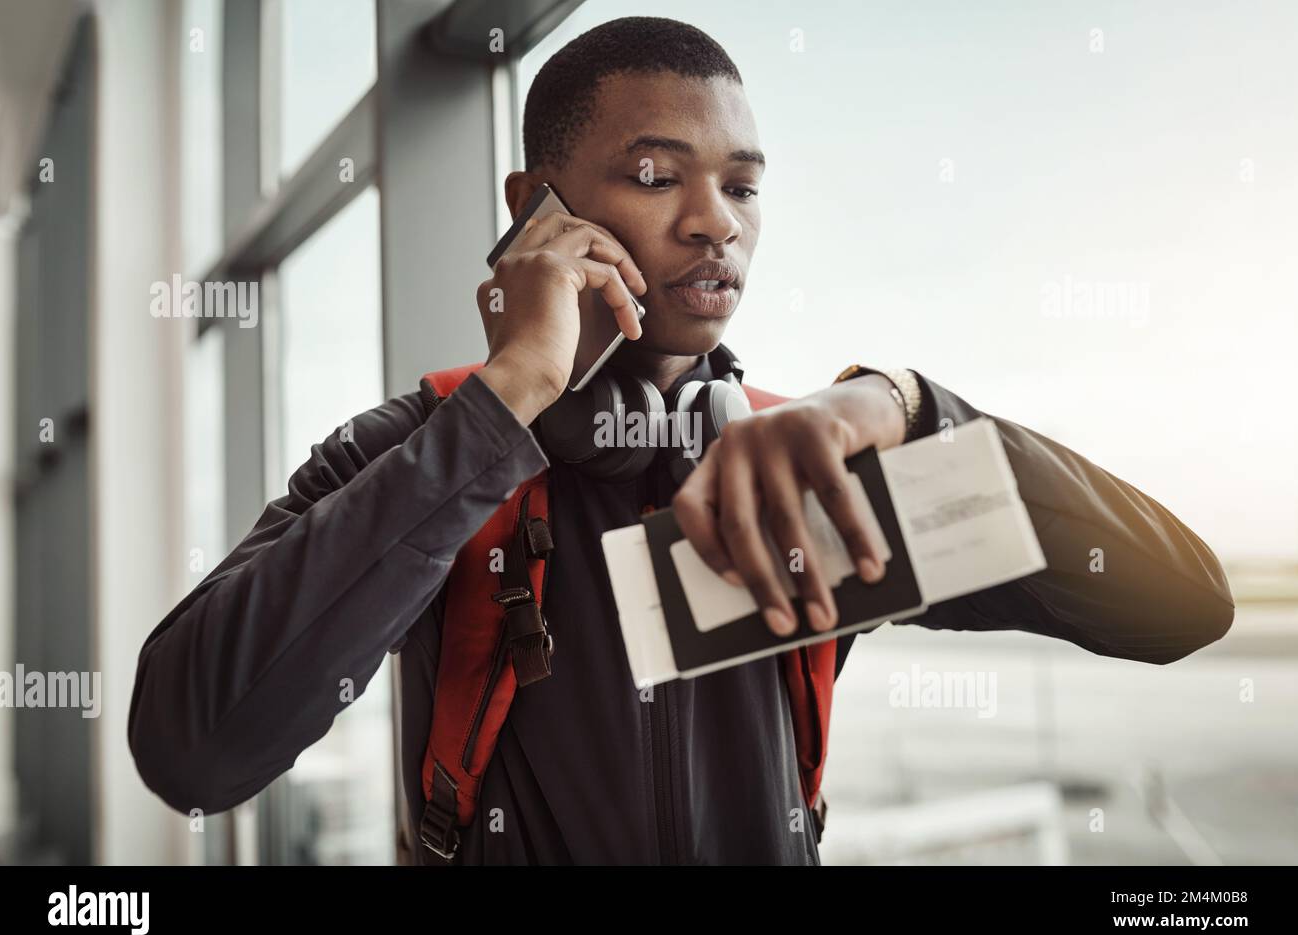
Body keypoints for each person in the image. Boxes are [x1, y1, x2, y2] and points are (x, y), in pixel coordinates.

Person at [128, 16, 1234, 865]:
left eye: (743, 185)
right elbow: (191, 749)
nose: (718, 220)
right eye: (659, 176)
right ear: (535, 208)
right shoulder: (421, 445)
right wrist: (505, 405)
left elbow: (1177, 602)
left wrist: (905, 403)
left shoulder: (804, 466)